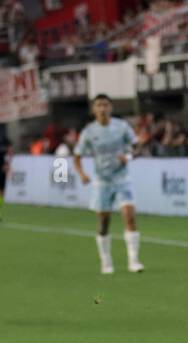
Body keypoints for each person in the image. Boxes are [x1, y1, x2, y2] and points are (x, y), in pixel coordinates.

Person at [73, 94, 143, 274]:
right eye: (99, 105)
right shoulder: (89, 131)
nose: (102, 108)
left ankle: (134, 261)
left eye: (105, 105)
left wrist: (127, 157)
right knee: (104, 222)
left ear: (111, 108)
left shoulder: (121, 127)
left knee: (129, 215)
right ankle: (106, 261)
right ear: (94, 109)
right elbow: (77, 156)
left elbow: (137, 147)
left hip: (122, 178)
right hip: (102, 181)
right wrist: (82, 174)